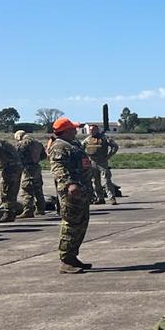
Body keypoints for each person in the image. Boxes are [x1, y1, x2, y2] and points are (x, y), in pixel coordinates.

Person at [47, 117, 93, 273]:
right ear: (65, 131)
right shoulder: (59, 147)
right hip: (71, 193)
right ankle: (66, 260)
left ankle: (73, 257)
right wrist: (70, 184)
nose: (75, 130)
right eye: (72, 129)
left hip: (82, 190)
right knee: (71, 224)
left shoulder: (72, 144)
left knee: (81, 223)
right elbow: (58, 167)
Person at [13, 130, 48, 217]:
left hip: (28, 168)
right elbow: (43, 155)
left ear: (18, 137)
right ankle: (41, 209)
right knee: (38, 188)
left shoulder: (22, 143)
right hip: (36, 167)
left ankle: (28, 210)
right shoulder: (38, 143)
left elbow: (17, 156)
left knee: (27, 188)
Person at [82, 124, 120, 205]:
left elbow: (115, 147)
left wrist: (109, 156)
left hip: (102, 162)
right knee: (95, 181)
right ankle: (100, 198)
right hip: (92, 162)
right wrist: (85, 158)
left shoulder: (104, 138)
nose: (91, 131)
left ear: (97, 130)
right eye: (90, 130)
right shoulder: (87, 140)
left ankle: (112, 198)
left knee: (107, 181)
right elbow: (81, 149)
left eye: (93, 130)